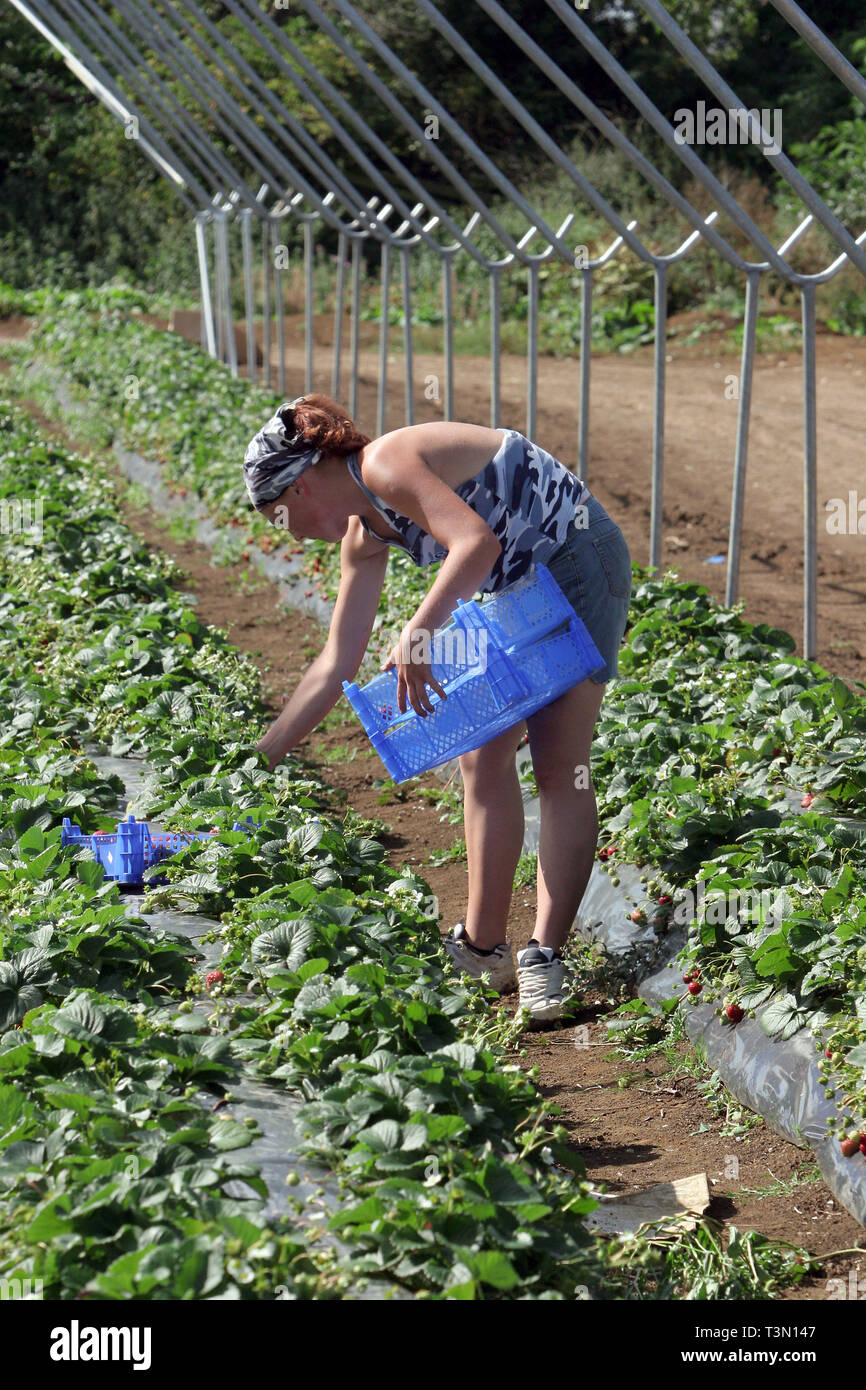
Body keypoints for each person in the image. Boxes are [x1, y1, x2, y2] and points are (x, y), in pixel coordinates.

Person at [244, 394, 632, 1024]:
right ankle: (484, 948)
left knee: (562, 765)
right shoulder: (361, 536)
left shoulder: (387, 465)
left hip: (574, 557)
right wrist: (261, 757)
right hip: (512, 586)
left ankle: (545, 960)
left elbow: (473, 543)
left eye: (277, 513)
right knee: (482, 756)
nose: (282, 529)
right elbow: (334, 663)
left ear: (304, 480)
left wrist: (418, 633)